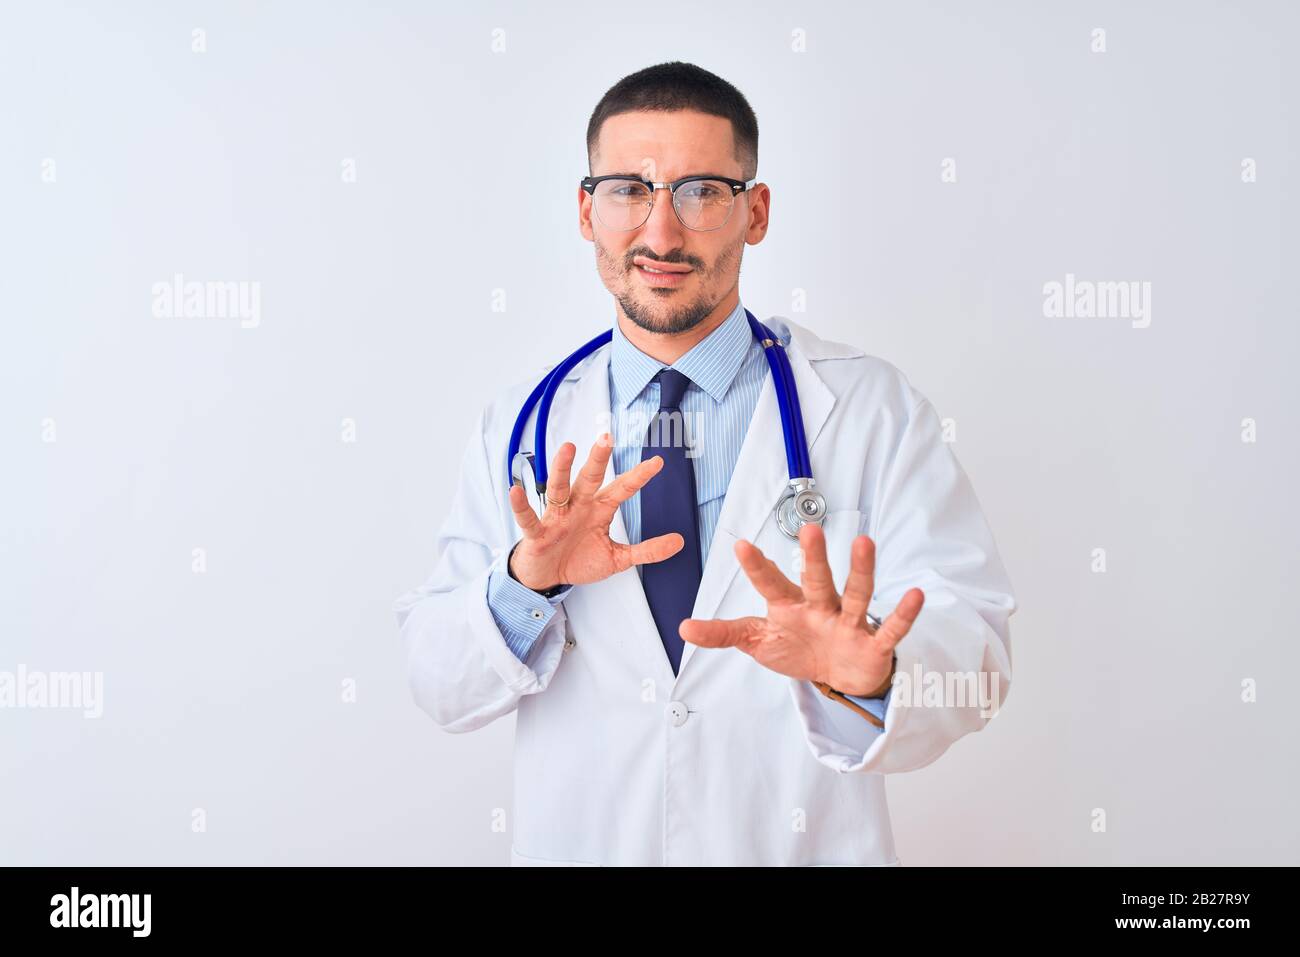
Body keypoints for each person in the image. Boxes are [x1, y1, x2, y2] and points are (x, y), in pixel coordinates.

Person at [394, 61, 1017, 866]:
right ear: (586, 212)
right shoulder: (519, 426)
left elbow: (979, 652)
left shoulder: (870, 411)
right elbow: (439, 681)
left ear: (754, 212)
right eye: (628, 190)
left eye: (701, 192)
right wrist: (527, 581)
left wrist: (873, 672)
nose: (660, 233)